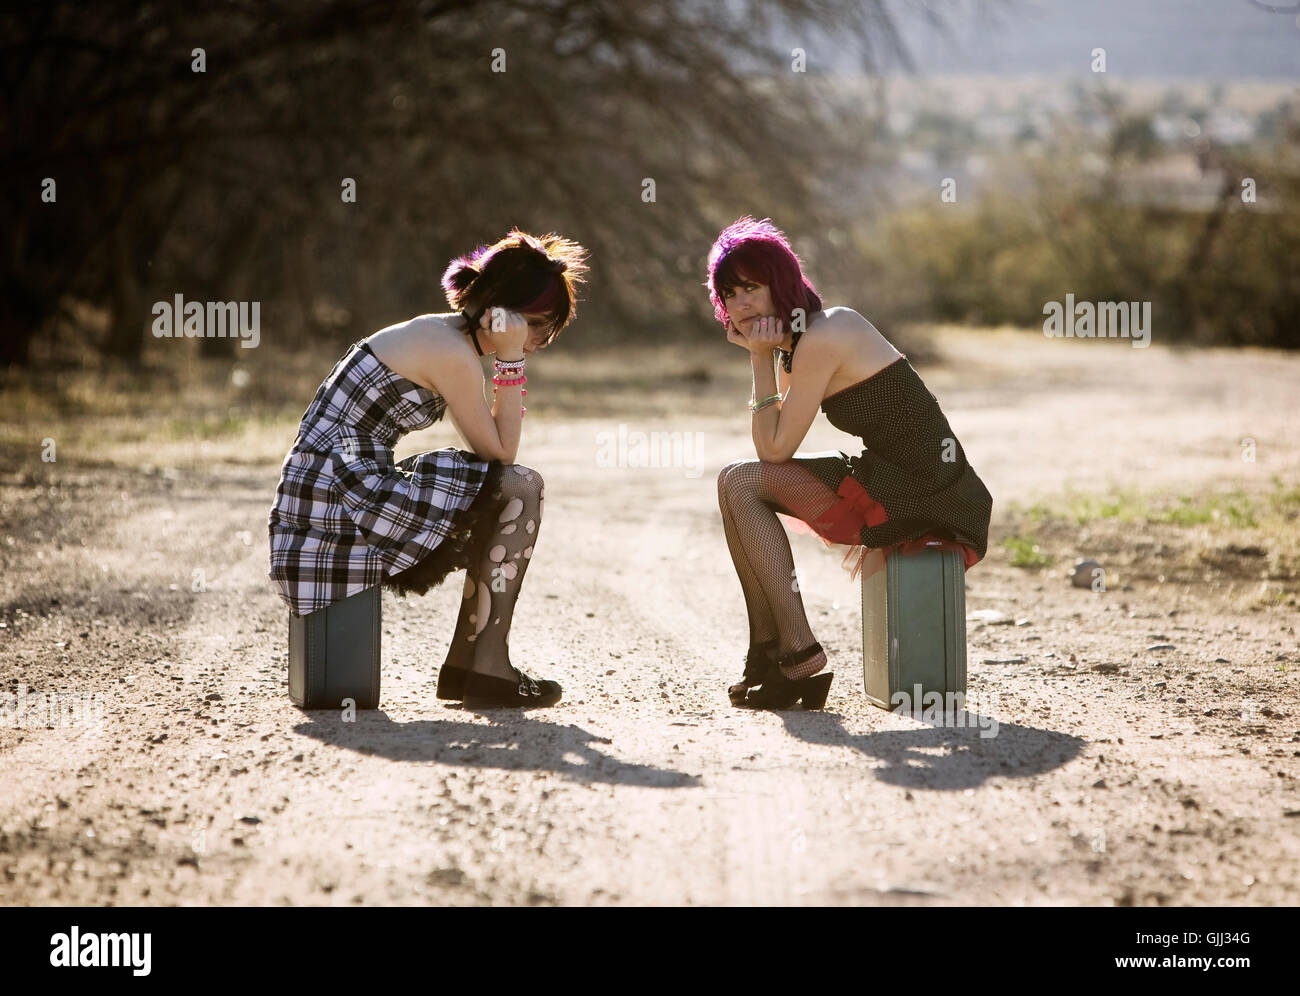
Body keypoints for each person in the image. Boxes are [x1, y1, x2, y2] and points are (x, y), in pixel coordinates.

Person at [267, 229, 587, 709]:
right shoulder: (451, 352)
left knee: (501, 492)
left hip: (341, 482)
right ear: (501, 310)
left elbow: (490, 457)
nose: (542, 337)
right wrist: (512, 358)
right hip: (337, 497)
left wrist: (506, 353)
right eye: (538, 322)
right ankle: (487, 666)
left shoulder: (444, 336)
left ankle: (469, 667)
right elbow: (502, 455)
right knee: (519, 487)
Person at [708, 216, 993, 710]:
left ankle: (792, 655)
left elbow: (775, 452)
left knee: (743, 481)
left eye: (752, 287)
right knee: (736, 481)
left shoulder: (824, 334)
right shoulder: (798, 345)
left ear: (782, 282)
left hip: (925, 489)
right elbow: (771, 445)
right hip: (887, 477)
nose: (741, 303)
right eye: (730, 294)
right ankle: (774, 653)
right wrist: (765, 355)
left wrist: (757, 359)